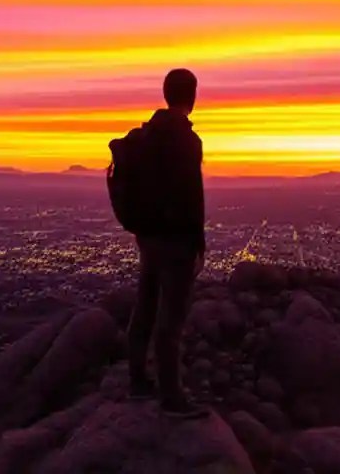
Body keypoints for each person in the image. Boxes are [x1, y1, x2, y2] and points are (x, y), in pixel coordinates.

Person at [127, 68, 207, 418]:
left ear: (165, 93)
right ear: (192, 96)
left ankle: (137, 382)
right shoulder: (187, 141)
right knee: (170, 318)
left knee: (145, 306)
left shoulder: (146, 136)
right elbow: (193, 196)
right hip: (176, 239)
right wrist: (198, 242)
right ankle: (171, 397)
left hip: (147, 235)